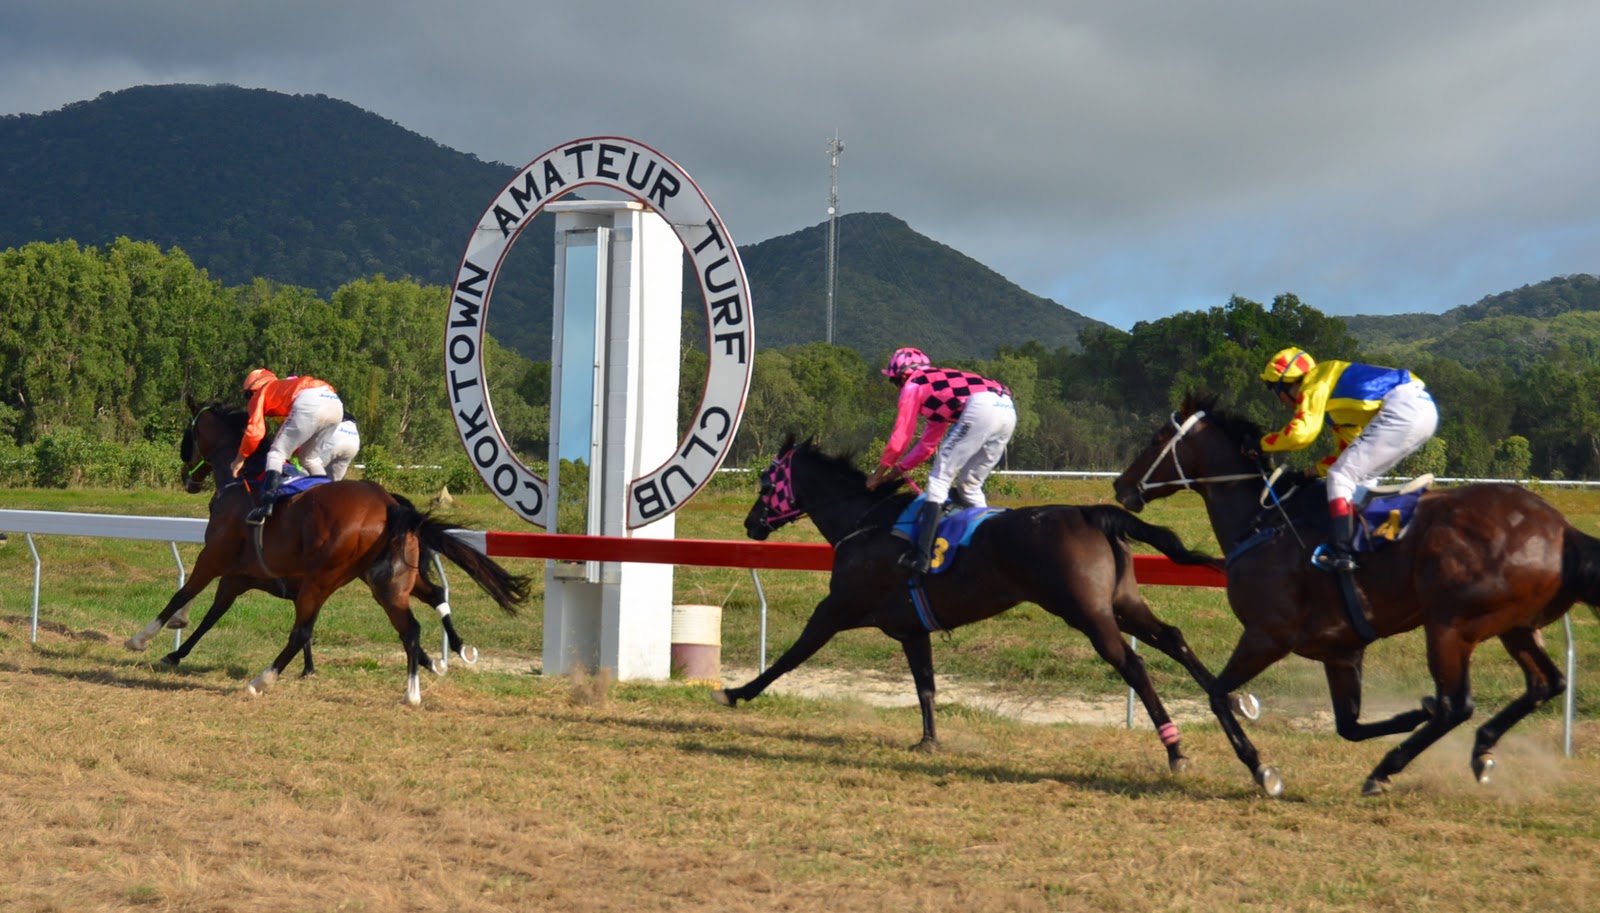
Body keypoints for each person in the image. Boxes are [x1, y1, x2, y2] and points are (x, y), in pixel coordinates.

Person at [1258, 346, 1438, 573]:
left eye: (1275, 392)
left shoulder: (1315, 381)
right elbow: (1345, 451)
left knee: (1340, 476)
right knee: (1359, 478)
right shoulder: (1334, 400)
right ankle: (1374, 541)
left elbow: (1301, 433)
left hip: (1404, 408)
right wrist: (1307, 474)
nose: (1281, 401)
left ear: (1285, 384)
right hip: (1421, 409)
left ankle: (1341, 551)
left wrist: (1261, 444)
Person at [865, 347, 1016, 580]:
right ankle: (990, 545)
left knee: (939, 478)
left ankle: (921, 556)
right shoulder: (939, 392)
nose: (897, 387)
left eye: (894, 381)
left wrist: (878, 473)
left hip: (981, 407)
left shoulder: (913, 386)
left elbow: (900, 438)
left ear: (904, 375)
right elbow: (926, 446)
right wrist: (895, 474)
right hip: (1007, 409)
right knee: (970, 485)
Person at [229, 368, 346, 524]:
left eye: (247, 395)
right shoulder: (284, 387)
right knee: (309, 458)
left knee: (275, 454)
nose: (249, 400)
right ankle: (330, 497)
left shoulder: (261, 393)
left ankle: (267, 504)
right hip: (335, 403)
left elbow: (255, 432)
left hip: (310, 402)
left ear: (253, 390)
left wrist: (239, 459)